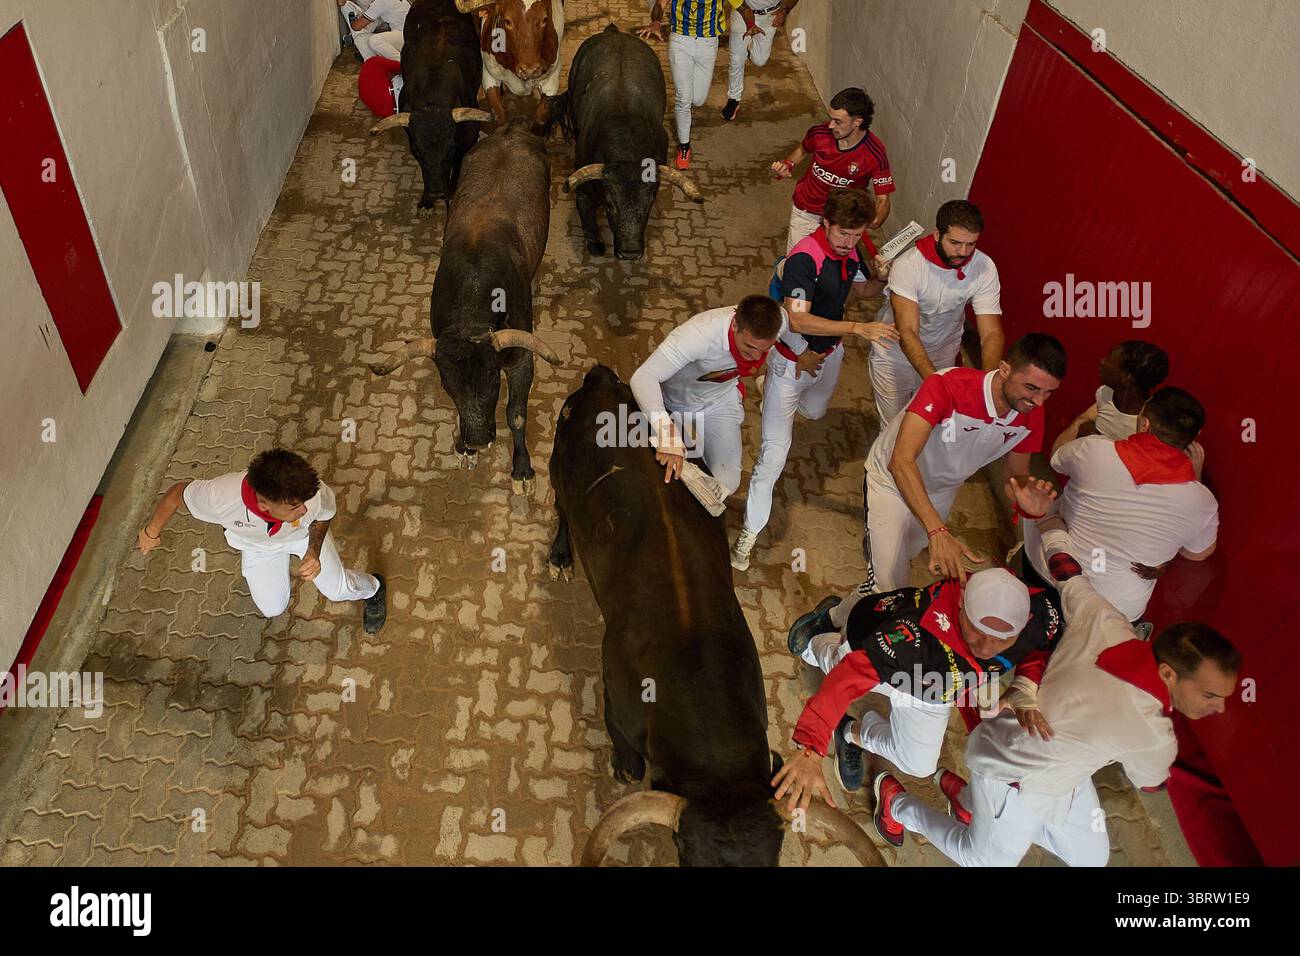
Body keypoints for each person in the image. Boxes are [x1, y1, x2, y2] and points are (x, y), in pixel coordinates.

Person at [873, 483, 1240, 863]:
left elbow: (1067, 568)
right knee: (986, 860)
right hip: (1011, 771)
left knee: (1091, 860)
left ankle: (966, 800)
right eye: (1210, 695)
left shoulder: (1107, 621)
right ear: (1168, 673)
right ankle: (897, 805)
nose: (1218, 708)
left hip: (1053, 761)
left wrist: (1041, 516)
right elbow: (1151, 782)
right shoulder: (1155, 737)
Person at [772, 566, 1062, 810]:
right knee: (834, 663)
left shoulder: (1041, 617)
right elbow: (848, 678)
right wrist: (810, 747)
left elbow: (1039, 649)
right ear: (961, 603)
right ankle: (818, 637)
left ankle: (849, 733)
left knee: (919, 765)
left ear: (1024, 624)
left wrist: (1024, 684)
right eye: (976, 630)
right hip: (880, 653)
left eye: (1002, 640)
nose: (986, 648)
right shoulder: (913, 635)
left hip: (934, 686)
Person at [730, 189, 899, 571]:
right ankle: (749, 533)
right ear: (826, 223)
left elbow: (862, 290)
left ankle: (767, 390)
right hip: (791, 362)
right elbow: (799, 318)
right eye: (843, 234)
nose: (848, 244)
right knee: (774, 455)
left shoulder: (850, 251)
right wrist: (853, 329)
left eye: (856, 236)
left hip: (829, 355)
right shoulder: (805, 259)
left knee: (816, 410)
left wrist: (882, 278)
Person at [861, 333, 1066, 593]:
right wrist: (937, 531)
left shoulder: (1031, 414)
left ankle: (832, 615)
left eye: (1049, 393)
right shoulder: (946, 386)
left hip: (940, 492)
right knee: (888, 587)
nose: (1039, 402)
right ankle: (834, 631)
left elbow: (1015, 474)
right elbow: (900, 461)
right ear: (1004, 370)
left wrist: (1023, 497)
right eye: (1032, 388)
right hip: (890, 481)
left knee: (901, 562)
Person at [1022, 387, 1219, 625]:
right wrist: (1195, 481)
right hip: (1117, 610)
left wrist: (1082, 420)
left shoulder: (1094, 450)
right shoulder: (1203, 502)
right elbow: (1197, 553)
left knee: (1044, 504)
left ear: (1144, 424)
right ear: (1195, 435)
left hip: (1049, 574)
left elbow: (1056, 458)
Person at [137, 448, 387, 632]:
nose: (303, 511)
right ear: (263, 506)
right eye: (294, 508)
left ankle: (374, 588)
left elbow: (323, 517)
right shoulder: (220, 497)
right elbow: (176, 494)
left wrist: (313, 550)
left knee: (337, 590)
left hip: (303, 538)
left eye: (304, 504)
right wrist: (151, 533)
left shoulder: (312, 493)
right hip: (257, 546)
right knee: (272, 609)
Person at [629, 294, 806, 497]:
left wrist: (804, 352)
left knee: (727, 485)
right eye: (750, 346)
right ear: (734, 327)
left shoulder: (779, 321)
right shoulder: (698, 335)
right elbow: (643, 377)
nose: (757, 357)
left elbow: (791, 326)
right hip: (673, 403)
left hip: (720, 401)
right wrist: (667, 436)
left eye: (765, 349)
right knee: (662, 477)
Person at [867, 199, 1005, 425]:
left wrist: (987, 384)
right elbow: (908, 331)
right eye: (955, 243)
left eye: (971, 244)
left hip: (943, 354)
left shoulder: (984, 267)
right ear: (937, 235)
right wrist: (935, 383)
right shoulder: (909, 265)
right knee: (894, 429)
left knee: (932, 425)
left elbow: (991, 333)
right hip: (894, 356)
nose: (963, 252)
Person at [1051, 340, 1203, 477]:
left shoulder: (1150, 422)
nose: (1102, 362)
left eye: (1110, 359)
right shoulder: (1105, 393)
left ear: (1126, 377)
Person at [771, 88, 893, 253]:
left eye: (838, 121)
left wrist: (871, 220)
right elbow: (803, 149)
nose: (830, 125)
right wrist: (788, 164)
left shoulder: (875, 154)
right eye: (831, 119)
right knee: (796, 262)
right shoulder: (819, 134)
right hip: (806, 211)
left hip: (842, 220)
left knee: (833, 269)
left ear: (857, 122)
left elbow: (883, 200)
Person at [639, 0, 745, 170]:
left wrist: (752, 24)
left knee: (698, 100)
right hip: (680, 41)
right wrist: (656, 22)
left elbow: (742, 6)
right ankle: (684, 147)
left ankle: (688, 113)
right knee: (683, 99)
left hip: (708, 43)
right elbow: (660, 4)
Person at [722, 0, 801, 121]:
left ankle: (748, 49)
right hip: (742, 13)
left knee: (760, 60)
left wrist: (785, 10)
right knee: (736, 59)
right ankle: (734, 99)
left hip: (769, 16)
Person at [339, 0, 410, 61]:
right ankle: (375, 62)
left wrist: (354, 20)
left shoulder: (381, 2)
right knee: (361, 39)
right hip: (409, 37)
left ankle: (402, 63)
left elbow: (356, 27)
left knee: (374, 40)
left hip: (404, 39)